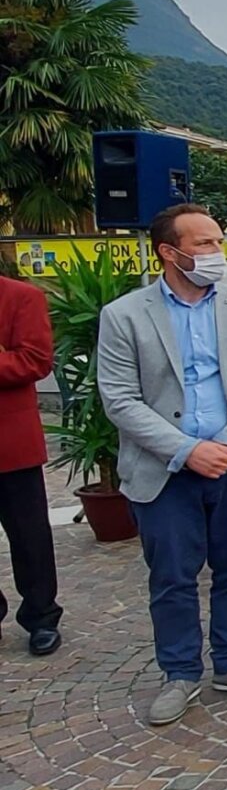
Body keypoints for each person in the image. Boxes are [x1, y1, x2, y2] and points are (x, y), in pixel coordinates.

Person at [96, 204, 227, 725]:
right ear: (169, 252)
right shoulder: (124, 315)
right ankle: (180, 672)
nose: (215, 252)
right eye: (203, 244)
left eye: (217, 242)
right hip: (165, 471)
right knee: (172, 578)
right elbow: (120, 399)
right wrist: (186, 450)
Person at [0, 275, 62, 656]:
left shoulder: (22, 296)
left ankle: (41, 617)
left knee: (29, 537)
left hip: (9, 442)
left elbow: (35, 360)